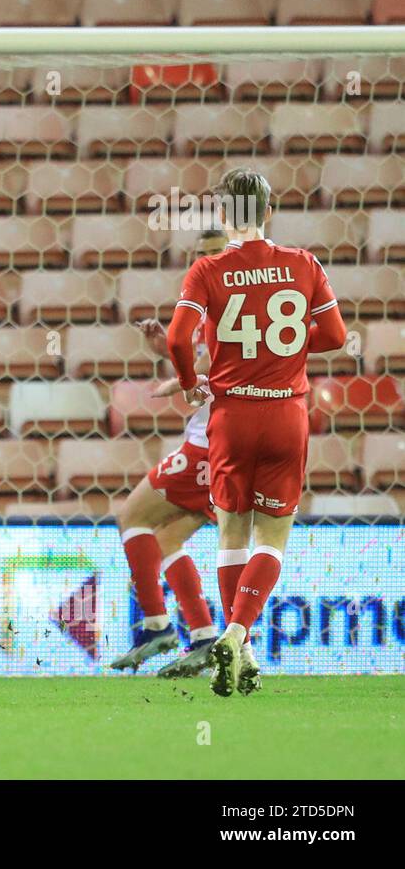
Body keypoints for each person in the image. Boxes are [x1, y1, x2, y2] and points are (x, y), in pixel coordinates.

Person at [167, 168, 346, 697]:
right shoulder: (303, 264)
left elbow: (179, 338)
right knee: (273, 535)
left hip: (231, 414)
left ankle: (236, 641)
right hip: (286, 414)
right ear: (270, 211)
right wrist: (283, 349)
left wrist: (188, 383)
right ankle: (240, 636)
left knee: (231, 533)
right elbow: (335, 335)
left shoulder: (207, 269)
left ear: (223, 216)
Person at [110, 228, 225, 678]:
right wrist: (164, 349)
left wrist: (177, 381)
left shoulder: (230, 309)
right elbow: (198, 361)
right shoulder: (206, 310)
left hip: (210, 448)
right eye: (201, 254)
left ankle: (157, 626)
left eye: (216, 253)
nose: (208, 261)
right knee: (166, 540)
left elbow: (211, 367)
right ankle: (203, 638)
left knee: (132, 517)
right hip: (219, 449)